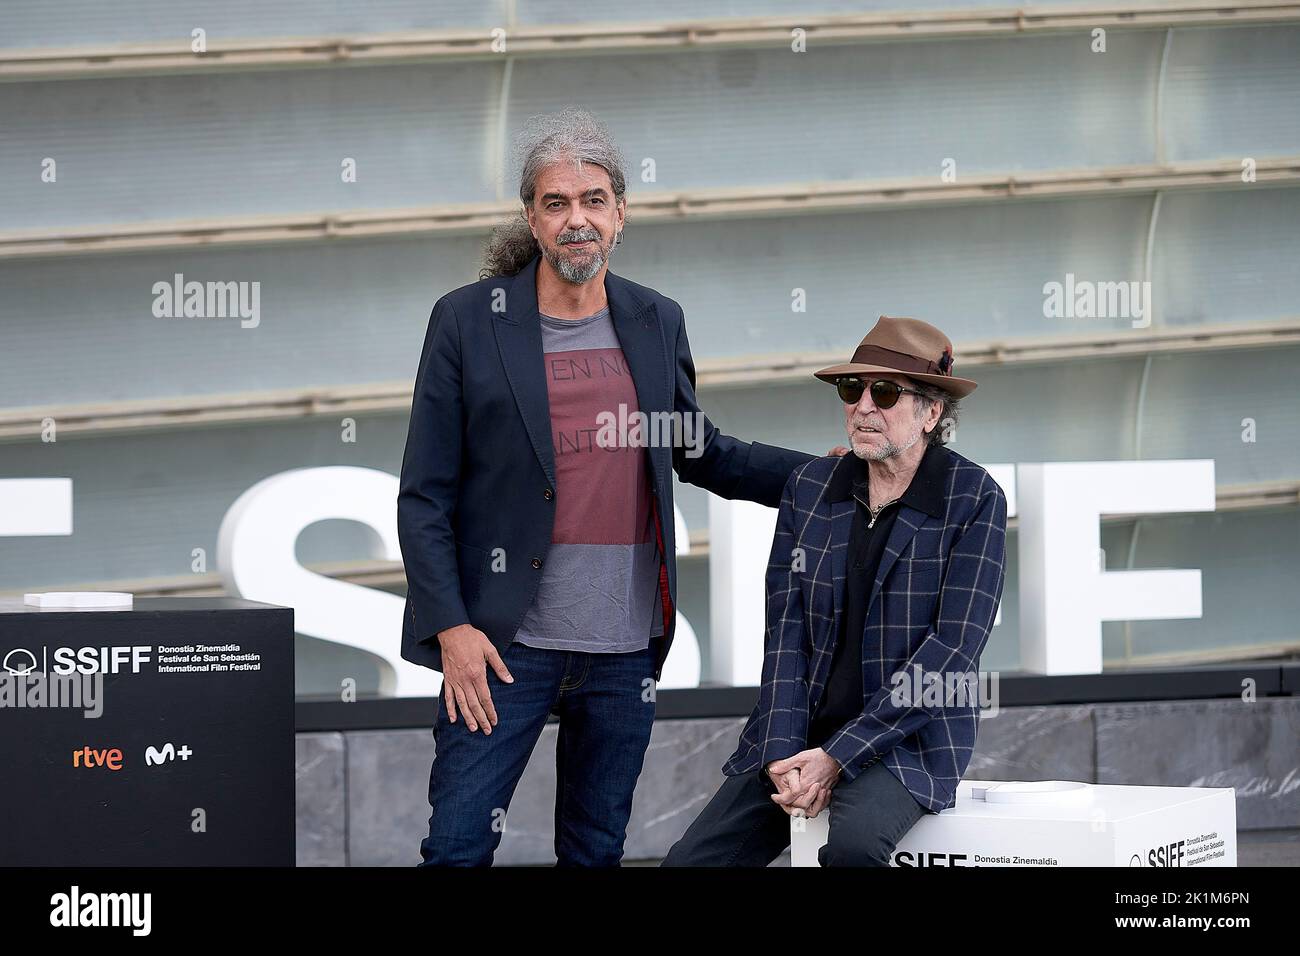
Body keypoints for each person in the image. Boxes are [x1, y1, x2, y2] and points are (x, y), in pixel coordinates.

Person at [397, 107, 819, 865]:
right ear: (532, 217)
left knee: (594, 853)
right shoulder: (467, 321)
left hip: (623, 648)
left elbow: (698, 450)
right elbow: (424, 492)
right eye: (556, 204)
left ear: (621, 214)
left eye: (593, 201)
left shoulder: (656, 320)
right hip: (500, 646)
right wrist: (452, 630)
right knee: (456, 848)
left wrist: (826, 475)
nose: (576, 219)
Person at [662, 315, 1008, 866]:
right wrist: (781, 752)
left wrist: (838, 757)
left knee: (850, 852)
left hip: (903, 743)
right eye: (853, 389)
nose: (863, 406)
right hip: (799, 732)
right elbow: (786, 635)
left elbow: (951, 652)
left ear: (932, 413)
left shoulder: (972, 499)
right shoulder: (810, 488)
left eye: (886, 392)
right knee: (692, 864)